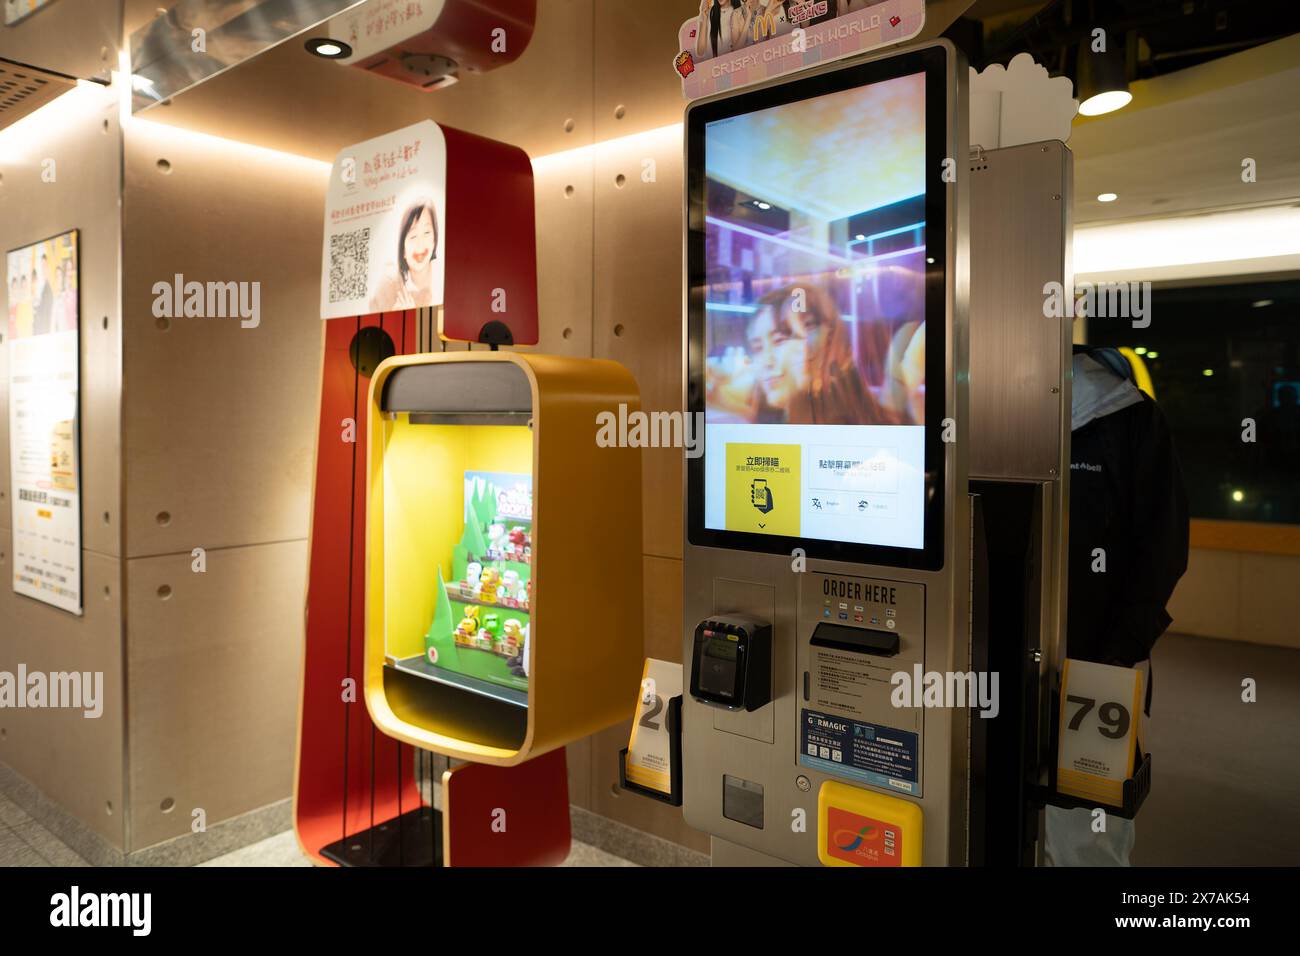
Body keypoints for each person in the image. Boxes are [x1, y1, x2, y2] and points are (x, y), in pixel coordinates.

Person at [1045, 345, 1189, 866]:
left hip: (1100, 669)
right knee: (1079, 826)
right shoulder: (998, 407)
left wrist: (1117, 655)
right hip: (1079, 661)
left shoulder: (1129, 419)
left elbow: (1161, 549)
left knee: (1088, 815)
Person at [709, 284, 901, 426]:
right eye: (758, 348)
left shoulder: (872, 431)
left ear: (824, 344)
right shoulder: (778, 418)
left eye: (779, 341)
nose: (766, 361)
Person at [368, 199, 439, 312]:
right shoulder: (388, 284)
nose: (420, 244)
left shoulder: (442, 282)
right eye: (413, 236)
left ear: (434, 240)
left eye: (426, 233)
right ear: (403, 250)